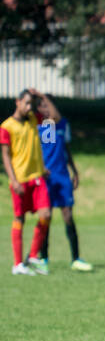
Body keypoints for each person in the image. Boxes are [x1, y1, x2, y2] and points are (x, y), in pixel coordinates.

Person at [34, 93, 93, 272]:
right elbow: (54, 118)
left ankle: (76, 258)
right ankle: (43, 258)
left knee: (68, 216)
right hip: (47, 178)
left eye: (48, 105)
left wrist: (74, 171)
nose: (46, 108)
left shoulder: (62, 124)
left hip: (62, 176)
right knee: (47, 217)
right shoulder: (44, 126)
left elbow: (66, 147)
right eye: (42, 106)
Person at [1, 89, 51, 276]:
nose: (30, 107)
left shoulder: (34, 120)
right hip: (20, 180)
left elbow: (51, 119)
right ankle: (17, 264)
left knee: (46, 214)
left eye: (32, 103)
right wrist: (13, 180)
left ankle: (32, 256)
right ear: (18, 102)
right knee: (19, 219)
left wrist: (42, 96)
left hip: (38, 177)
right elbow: (5, 156)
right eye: (27, 103)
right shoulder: (7, 126)